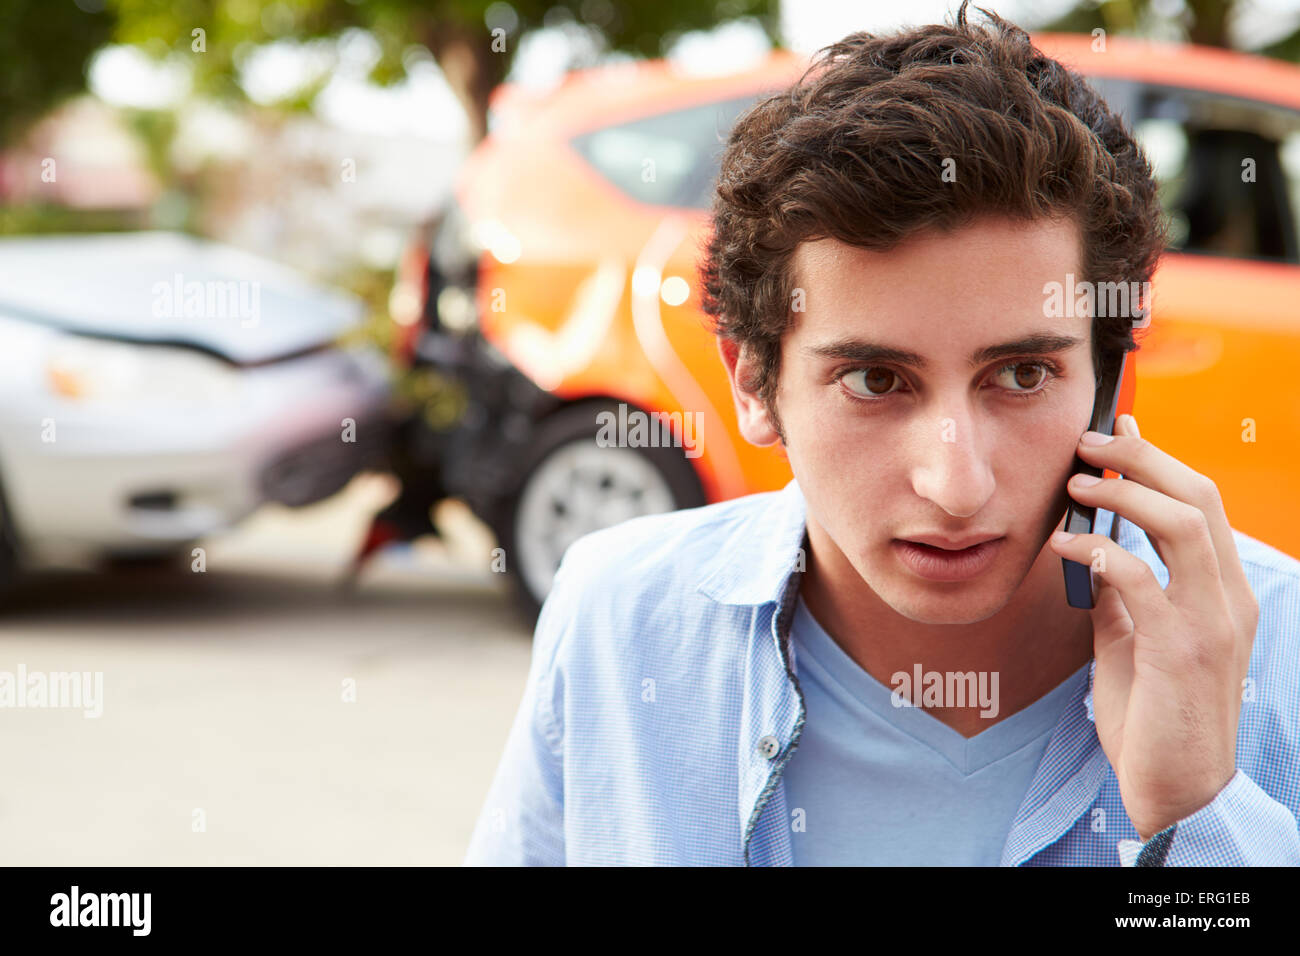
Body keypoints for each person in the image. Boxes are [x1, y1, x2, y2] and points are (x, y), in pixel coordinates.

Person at [463, 2, 1300, 866]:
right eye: (874, 381)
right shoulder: (620, 620)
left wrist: (1198, 815)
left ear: (1110, 380)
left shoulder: (1283, 650)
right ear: (754, 380)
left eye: (1021, 375)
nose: (956, 484)